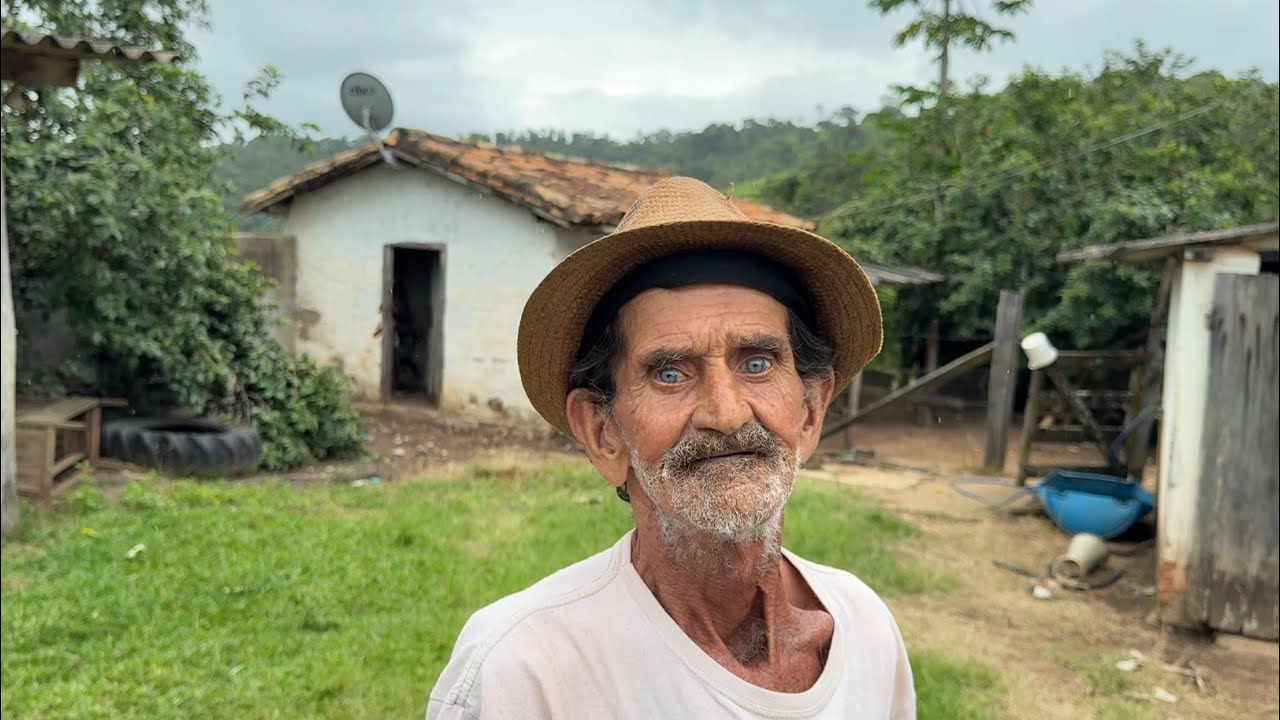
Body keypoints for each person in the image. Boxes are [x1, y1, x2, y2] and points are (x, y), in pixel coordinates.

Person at [426, 177, 916, 719]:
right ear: (602, 433)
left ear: (810, 410)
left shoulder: (867, 629)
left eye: (757, 363)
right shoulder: (522, 672)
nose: (726, 414)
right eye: (669, 373)